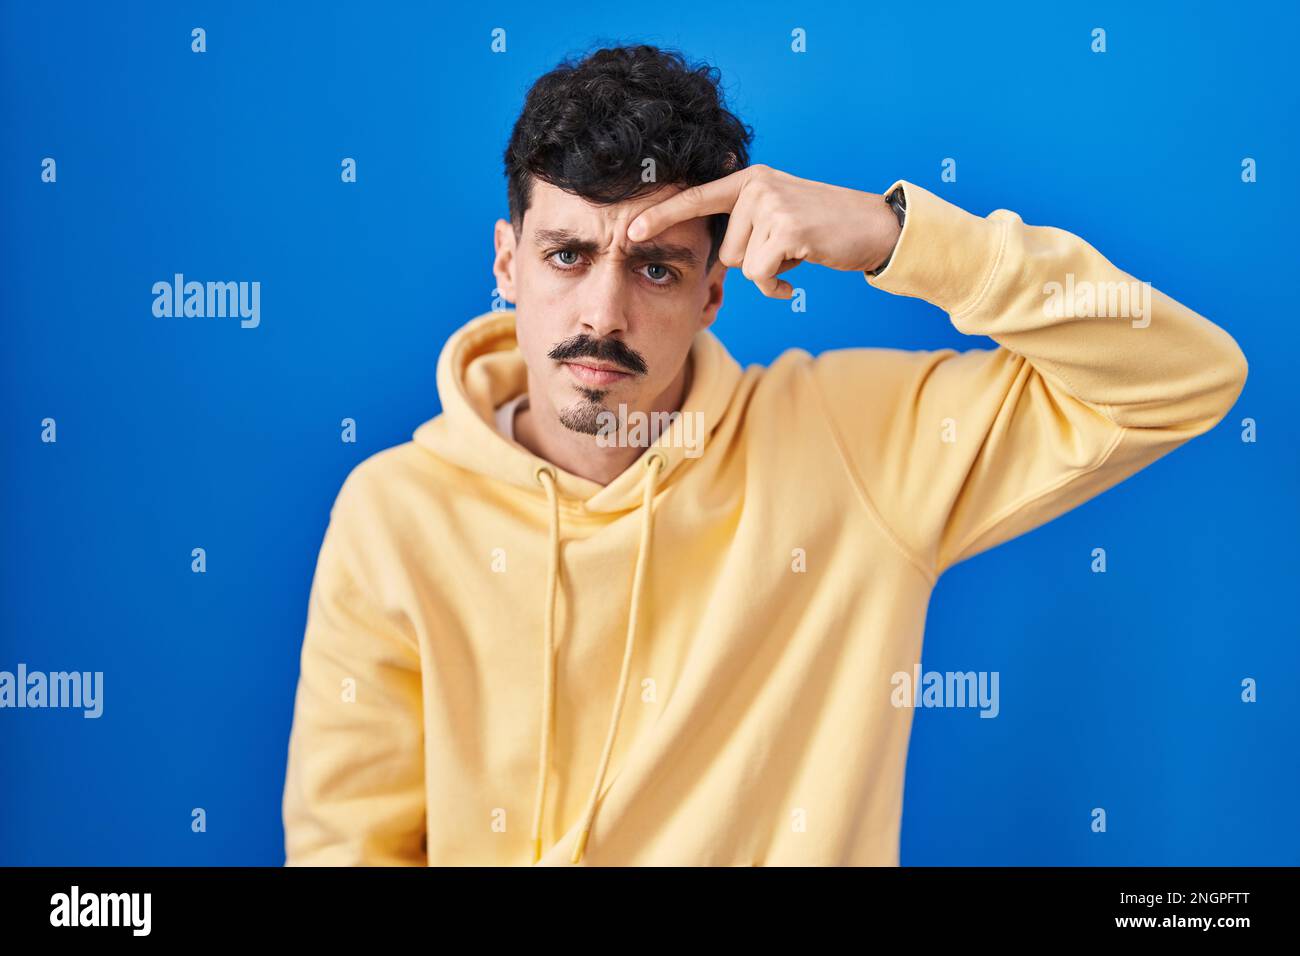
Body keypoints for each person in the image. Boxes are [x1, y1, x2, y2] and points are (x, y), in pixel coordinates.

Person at [282, 44, 1247, 865]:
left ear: (712, 296)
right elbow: (346, 843)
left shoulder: (854, 446)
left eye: (656, 267)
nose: (602, 316)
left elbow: (1183, 375)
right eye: (567, 255)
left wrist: (892, 235)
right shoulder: (394, 511)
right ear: (507, 263)